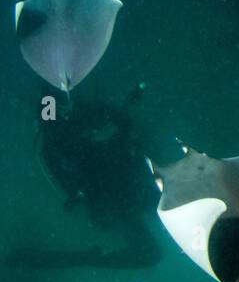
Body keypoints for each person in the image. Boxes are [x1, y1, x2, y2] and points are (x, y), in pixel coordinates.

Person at [5, 83, 163, 270]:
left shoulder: (78, 104)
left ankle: (86, 258)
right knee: (149, 251)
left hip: (118, 180)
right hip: (103, 189)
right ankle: (85, 258)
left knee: (150, 243)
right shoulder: (50, 104)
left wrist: (110, 130)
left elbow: (121, 123)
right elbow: (52, 143)